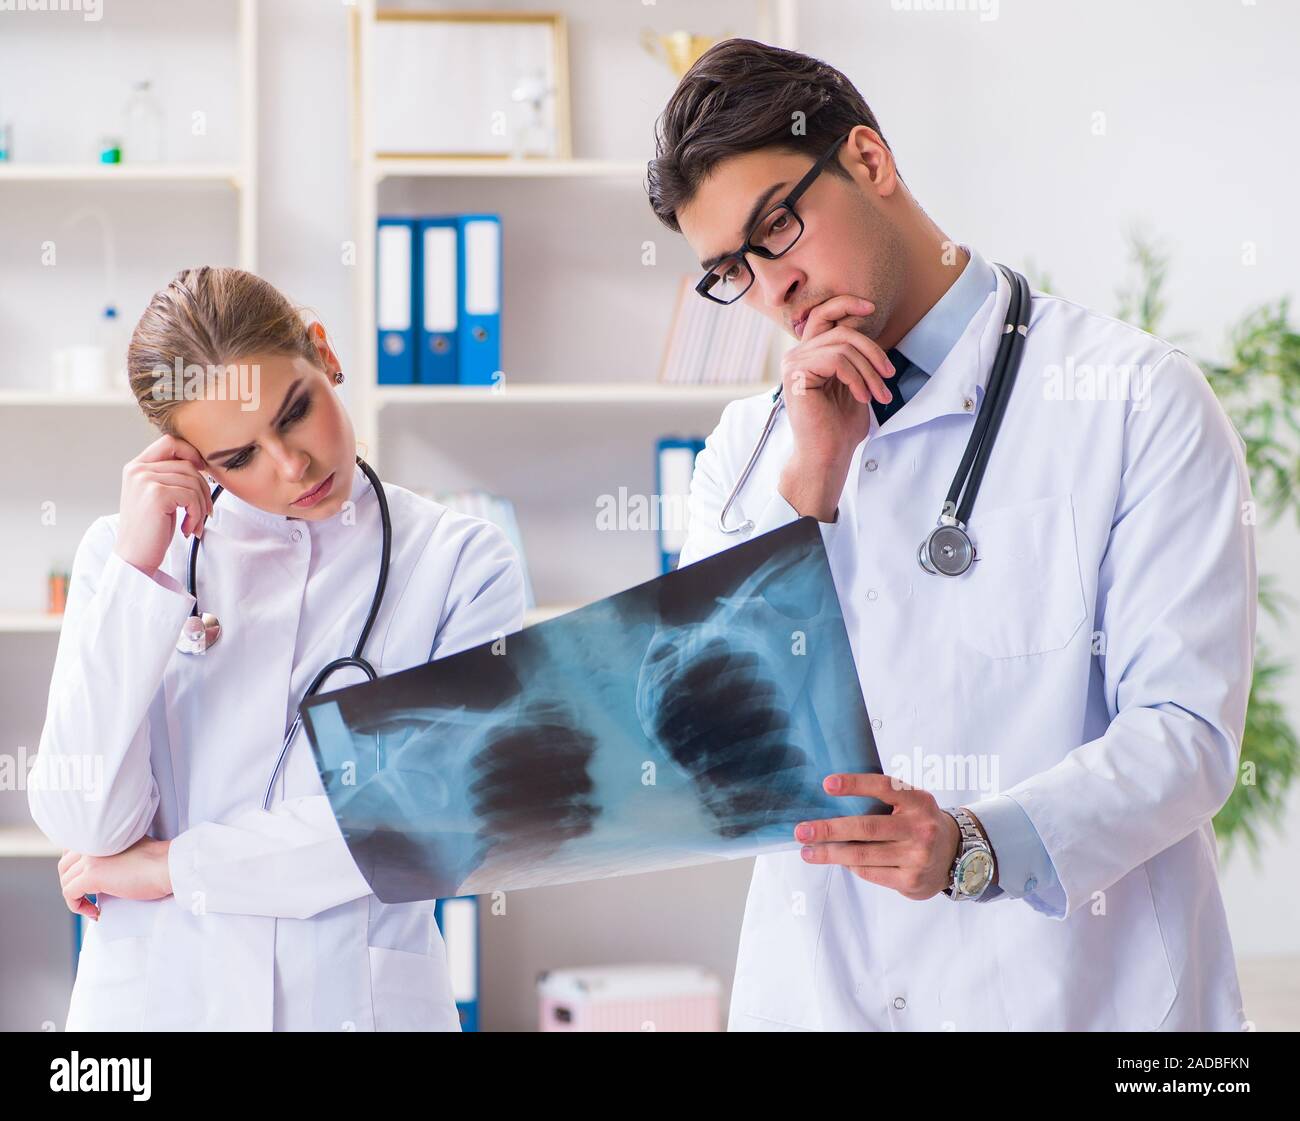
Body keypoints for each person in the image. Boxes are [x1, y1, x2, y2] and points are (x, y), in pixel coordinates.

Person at [648, 39, 1256, 1031]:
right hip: (819, 996)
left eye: (778, 227)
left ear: (869, 161)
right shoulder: (746, 455)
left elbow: (1184, 734)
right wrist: (806, 488)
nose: (774, 289)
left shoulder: (1133, 398)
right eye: (731, 270)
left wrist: (978, 842)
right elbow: (694, 741)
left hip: (1083, 1001)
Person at [28, 266, 525, 1031]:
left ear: (323, 354)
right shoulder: (126, 562)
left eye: (295, 412)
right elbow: (83, 818)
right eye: (238, 457)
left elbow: (425, 822)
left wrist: (168, 867)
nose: (291, 466)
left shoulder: (459, 561)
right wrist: (140, 575)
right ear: (187, 456)